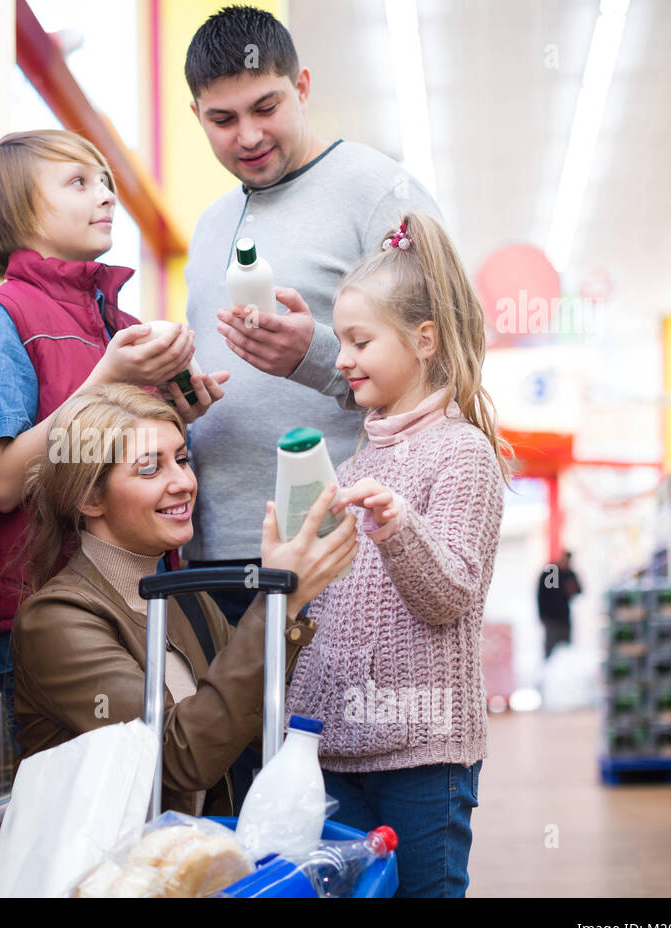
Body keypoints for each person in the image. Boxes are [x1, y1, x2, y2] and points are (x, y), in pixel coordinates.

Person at [0, 130, 230, 750]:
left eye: (105, 180)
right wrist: (106, 379)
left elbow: (119, 460)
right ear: (17, 211)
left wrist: (182, 411)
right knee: (76, 817)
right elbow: (2, 483)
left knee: (160, 806)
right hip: (53, 614)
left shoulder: (123, 324)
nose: (106, 195)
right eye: (79, 182)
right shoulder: (3, 317)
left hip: (148, 607)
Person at [179, 6, 444, 626]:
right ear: (197, 117)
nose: (246, 136)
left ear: (301, 87)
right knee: (234, 729)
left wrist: (318, 359)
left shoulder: (381, 194)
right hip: (215, 556)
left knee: (330, 726)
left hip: (339, 548)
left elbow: (448, 359)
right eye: (222, 119)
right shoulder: (210, 224)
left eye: (265, 108)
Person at [285, 211, 511, 897]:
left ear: (423, 340)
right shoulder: (354, 462)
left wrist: (399, 526)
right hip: (336, 751)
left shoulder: (463, 452)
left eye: (359, 340)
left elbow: (450, 596)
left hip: (424, 756)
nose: (342, 357)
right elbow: (324, 606)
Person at [11, 383, 357, 814]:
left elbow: (249, 724)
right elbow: (177, 758)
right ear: (90, 498)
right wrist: (279, 602)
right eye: (150, 469)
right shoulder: (55, 621)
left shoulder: (186, 601)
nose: (183, 483)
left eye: (181, 460)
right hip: (96, 876)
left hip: (178, 866)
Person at [537, 550, 582, 660]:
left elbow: (579, 590)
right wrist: (542, 615)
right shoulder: (551, 572)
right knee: (550, 652)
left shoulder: (569, 574)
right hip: (551, 619)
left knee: (565, 651)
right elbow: (541, 595)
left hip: (564, 618)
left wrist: (572, 588)